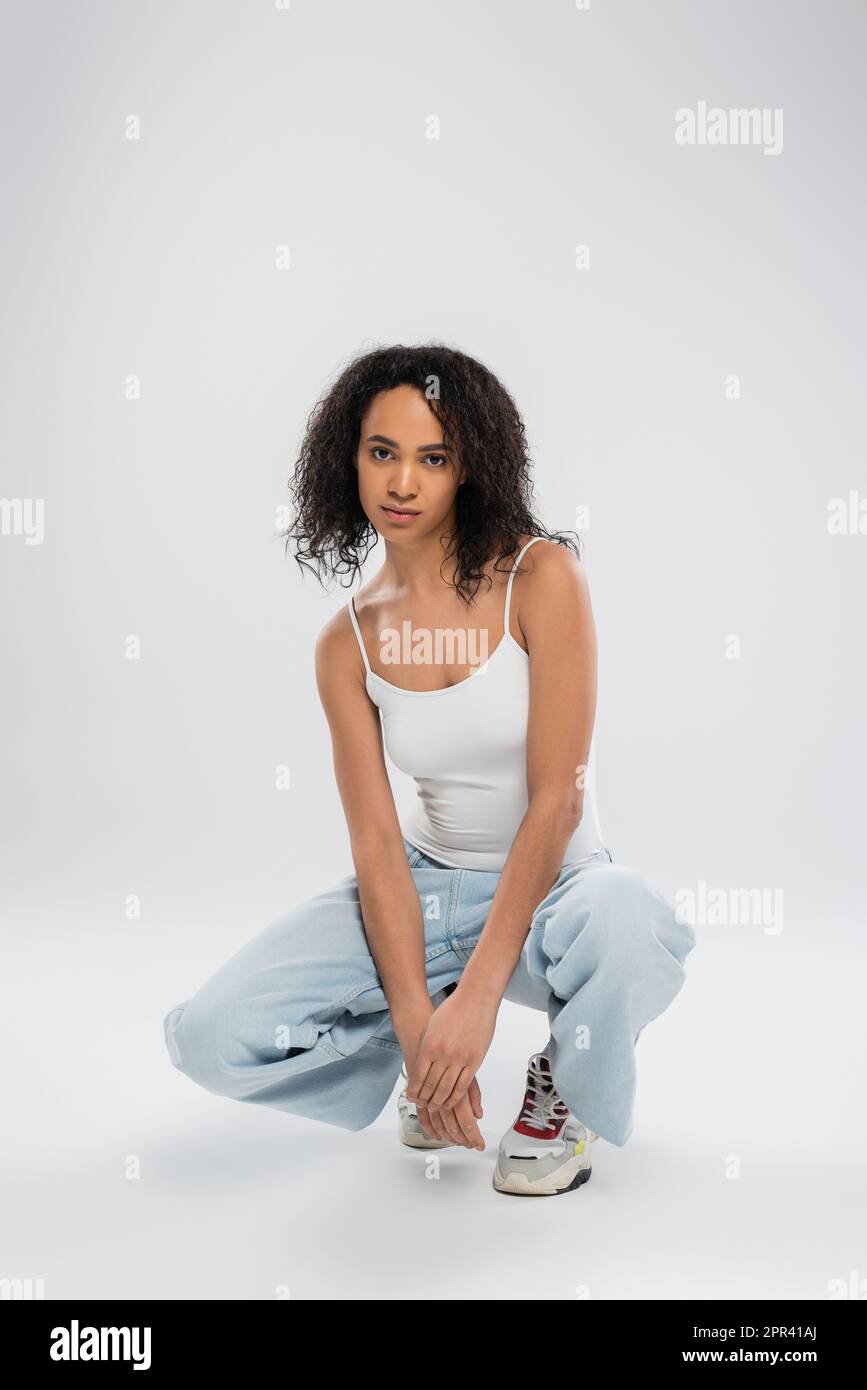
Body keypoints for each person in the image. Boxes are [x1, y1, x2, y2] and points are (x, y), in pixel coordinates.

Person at [163, 344, 696, 1197]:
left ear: (469, 468)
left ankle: (564, 1085)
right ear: (349, 461)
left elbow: (557, 798)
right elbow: (375, 840)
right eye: (382, 452)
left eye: (432, 457)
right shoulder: (347, 640)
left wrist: (480, 998)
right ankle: (425, 1073)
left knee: (629, 918)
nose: (402, 482)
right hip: (427, 890)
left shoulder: (540, 577)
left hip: (559, 892)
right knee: (211, 1036)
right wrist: (418, 1027)